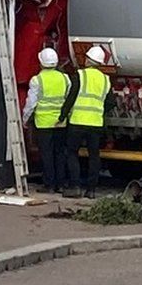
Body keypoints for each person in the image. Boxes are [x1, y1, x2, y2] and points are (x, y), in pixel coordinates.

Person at [60, 45, 115, 199]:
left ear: (88, 60)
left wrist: (62, 116)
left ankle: (75, 186)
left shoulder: (80, 75)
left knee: (71, 153)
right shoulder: (105, 79)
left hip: (77, 122)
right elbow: (111, 102)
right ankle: (91, 190)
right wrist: (100, 110)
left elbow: (71, 98)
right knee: (94, 156)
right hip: (96, 123)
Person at [22, 48, 69, 193]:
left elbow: (31, 103)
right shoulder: (65, 78)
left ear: (41, 62)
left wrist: (25, 118)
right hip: (61, 123)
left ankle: (49, 184)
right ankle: (61, 184)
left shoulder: (37, 80)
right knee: (60, 154)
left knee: (46, 154)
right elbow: (67, 99)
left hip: (43, 123)